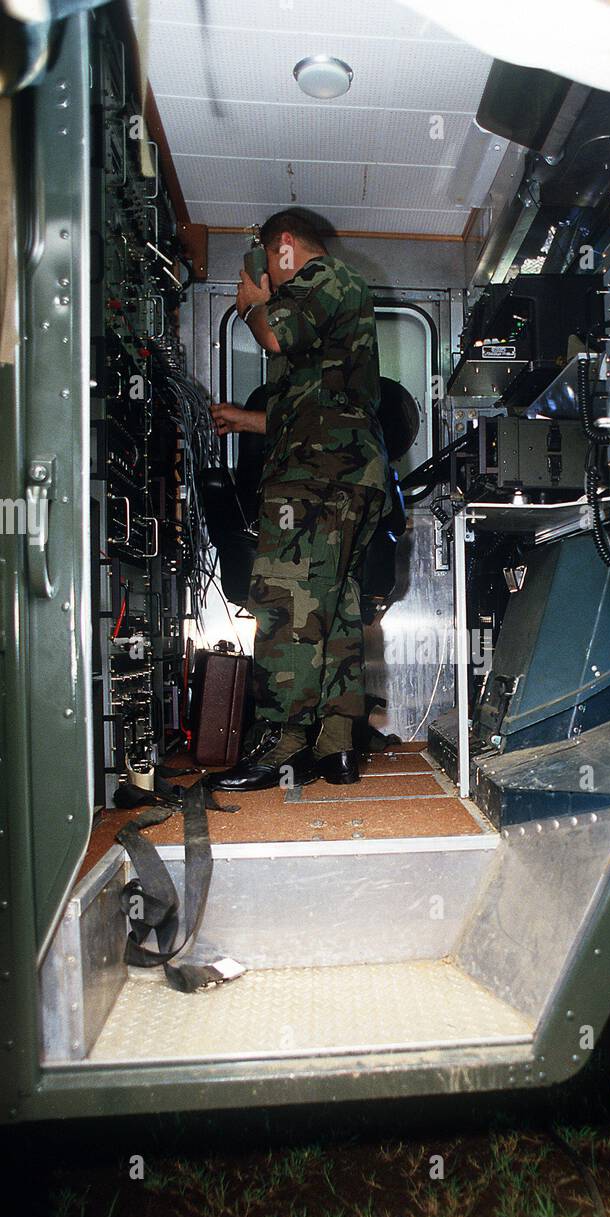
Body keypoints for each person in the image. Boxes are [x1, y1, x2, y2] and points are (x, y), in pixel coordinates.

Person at [208, 208, 388, 792]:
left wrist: (254, 294)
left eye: (264, 259)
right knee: (332, 613)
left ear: (283, 247)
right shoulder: (340, 305)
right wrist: (240, 420)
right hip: (344, 474)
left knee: (285, 599)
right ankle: (336, 748)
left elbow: (272, 332)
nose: (256, 279)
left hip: (315, 479)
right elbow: (306, 412)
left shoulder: (322, 279)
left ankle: (281, 743)